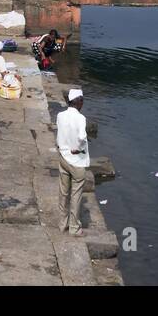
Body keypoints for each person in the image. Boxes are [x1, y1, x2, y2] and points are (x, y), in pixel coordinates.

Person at [56, 88, 90, 236]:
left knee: (63, 193)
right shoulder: (81, 118)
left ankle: (62, 224)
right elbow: (82, 137)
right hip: (77, 162)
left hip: (63, 158)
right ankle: (74, 228)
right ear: (79, 102)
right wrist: (79, 149)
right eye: (82, 101)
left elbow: (60, 134)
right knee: (76, 195)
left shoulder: (60, 115)